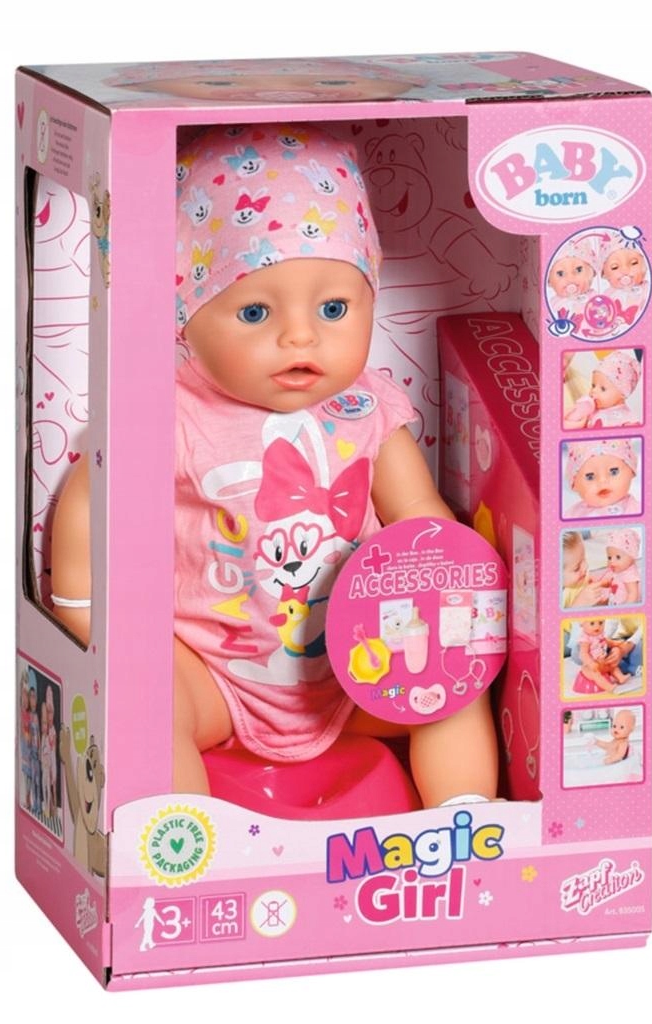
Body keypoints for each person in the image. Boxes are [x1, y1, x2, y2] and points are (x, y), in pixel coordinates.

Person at [50, 124, 497, 808]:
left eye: (334, 308)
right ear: (185, 315)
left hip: (359, 671)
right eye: (255, 311)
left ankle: (464, 820)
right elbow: (92, 498)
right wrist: (79, 608)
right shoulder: (168, 413)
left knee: (451, 685)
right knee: (147, 700)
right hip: (212, 675)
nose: (300, 336)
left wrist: (446, 600)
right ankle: (188, 840)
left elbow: (418, 516)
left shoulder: (368, 406)